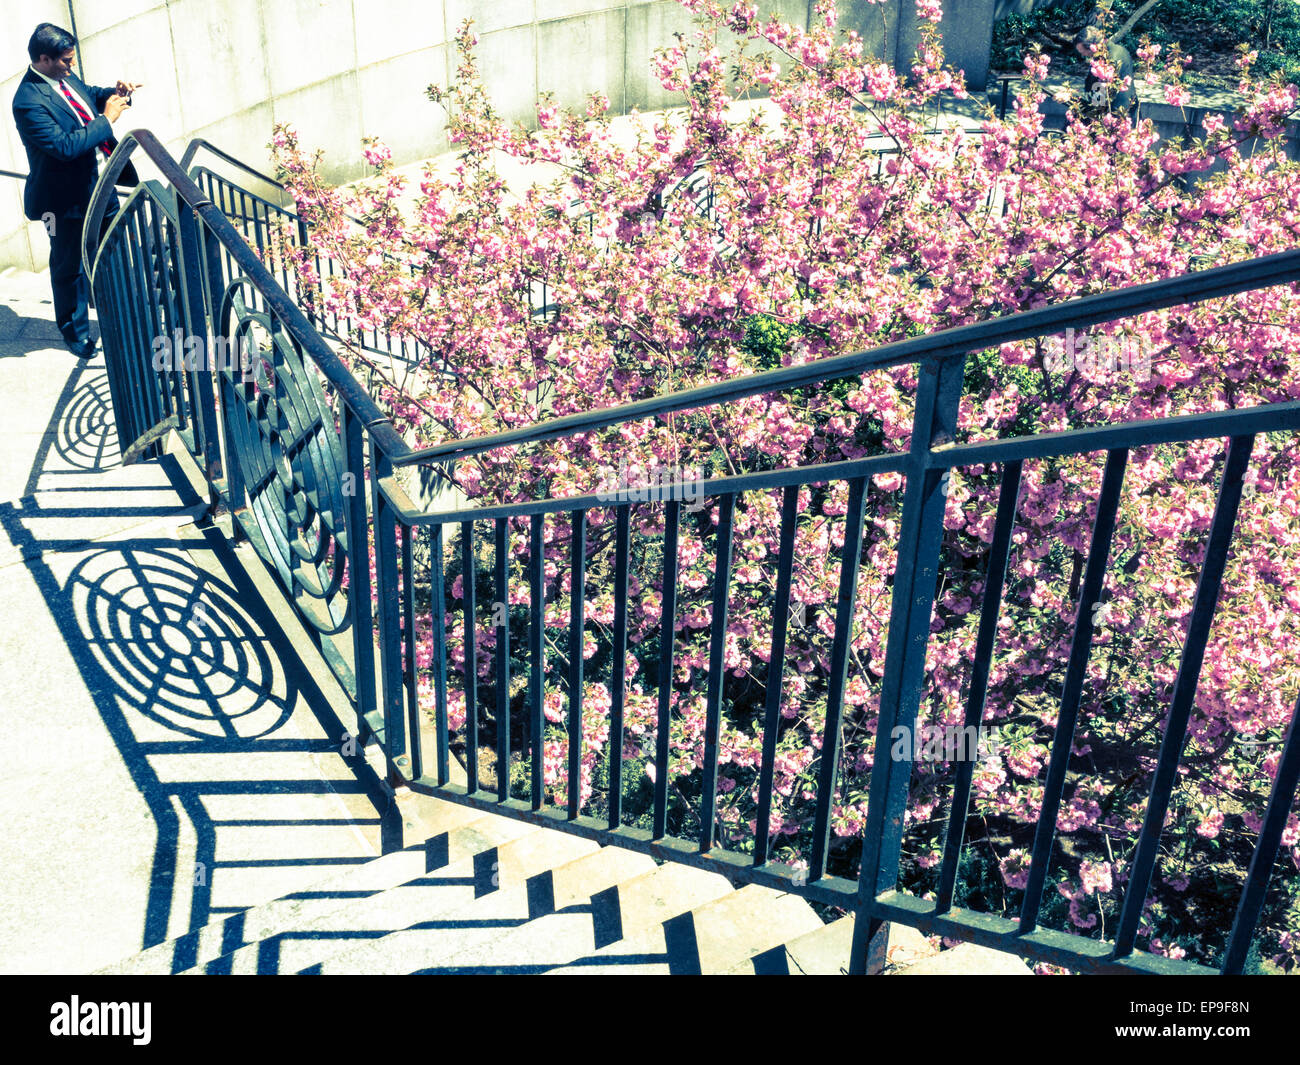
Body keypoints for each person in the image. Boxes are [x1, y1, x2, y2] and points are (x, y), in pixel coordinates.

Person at [12, 23, 141, 359]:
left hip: (102, 186)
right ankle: (75, 333)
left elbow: (89, 95)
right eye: (66, 61)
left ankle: (125, 318)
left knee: (113, 253)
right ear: (44, 59)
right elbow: (65, 146)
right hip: (62, 203)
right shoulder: (27, 102)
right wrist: (107, 120)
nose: (72, 66)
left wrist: (114, 93)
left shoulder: (64, 76)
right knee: (69, 267)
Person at [1076, 24, 1138, 125]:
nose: (1084, 56)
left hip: (1116, 114)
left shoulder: (1112, 58)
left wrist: (1074, 97)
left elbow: (1103, 91)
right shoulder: (1114, 51)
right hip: (1115, 111)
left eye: (1084, 52)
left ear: (1092, 47)